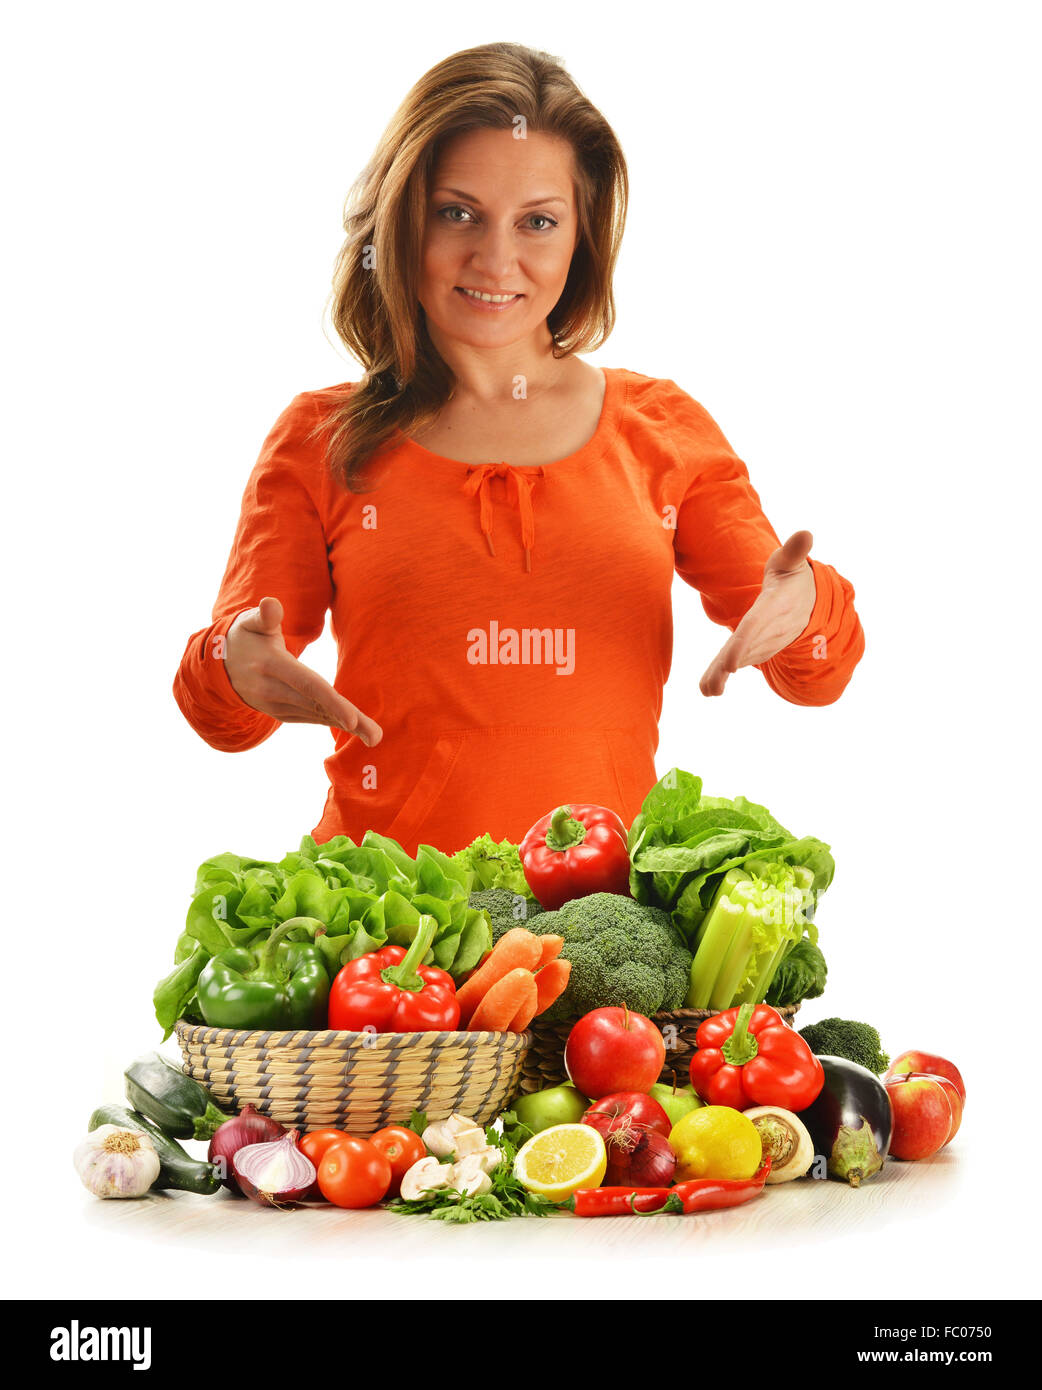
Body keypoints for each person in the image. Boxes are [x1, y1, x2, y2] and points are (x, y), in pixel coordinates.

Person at [173, 41, 864, 858]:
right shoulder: (319, 440)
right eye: (456, 212)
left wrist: (805, 610)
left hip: (597, 921)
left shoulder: (661, 429)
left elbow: (818, 675)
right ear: (402, 221)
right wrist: (232, 663)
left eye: (538, 221)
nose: (496, 260)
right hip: (385, 937)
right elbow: (225, 714)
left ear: (581, 237)